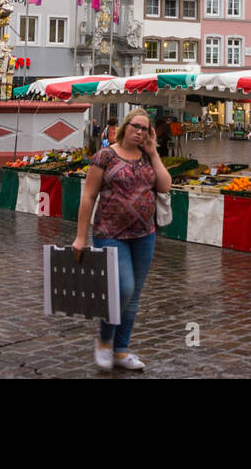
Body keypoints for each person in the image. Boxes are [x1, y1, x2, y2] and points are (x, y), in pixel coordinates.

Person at [72, 109, 172, 372]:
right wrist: (81, 236)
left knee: (134, 295)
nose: (139, 132)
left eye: (145, 129)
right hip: (110, 234)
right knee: (123, 289)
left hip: (144, 235)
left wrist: (154, 152)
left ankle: (121, 350)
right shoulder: (105, 156)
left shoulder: (148, 157)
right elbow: (88, 197)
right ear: (125, 127)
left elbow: (164, 186)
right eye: (135, 127)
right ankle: (104, 340)